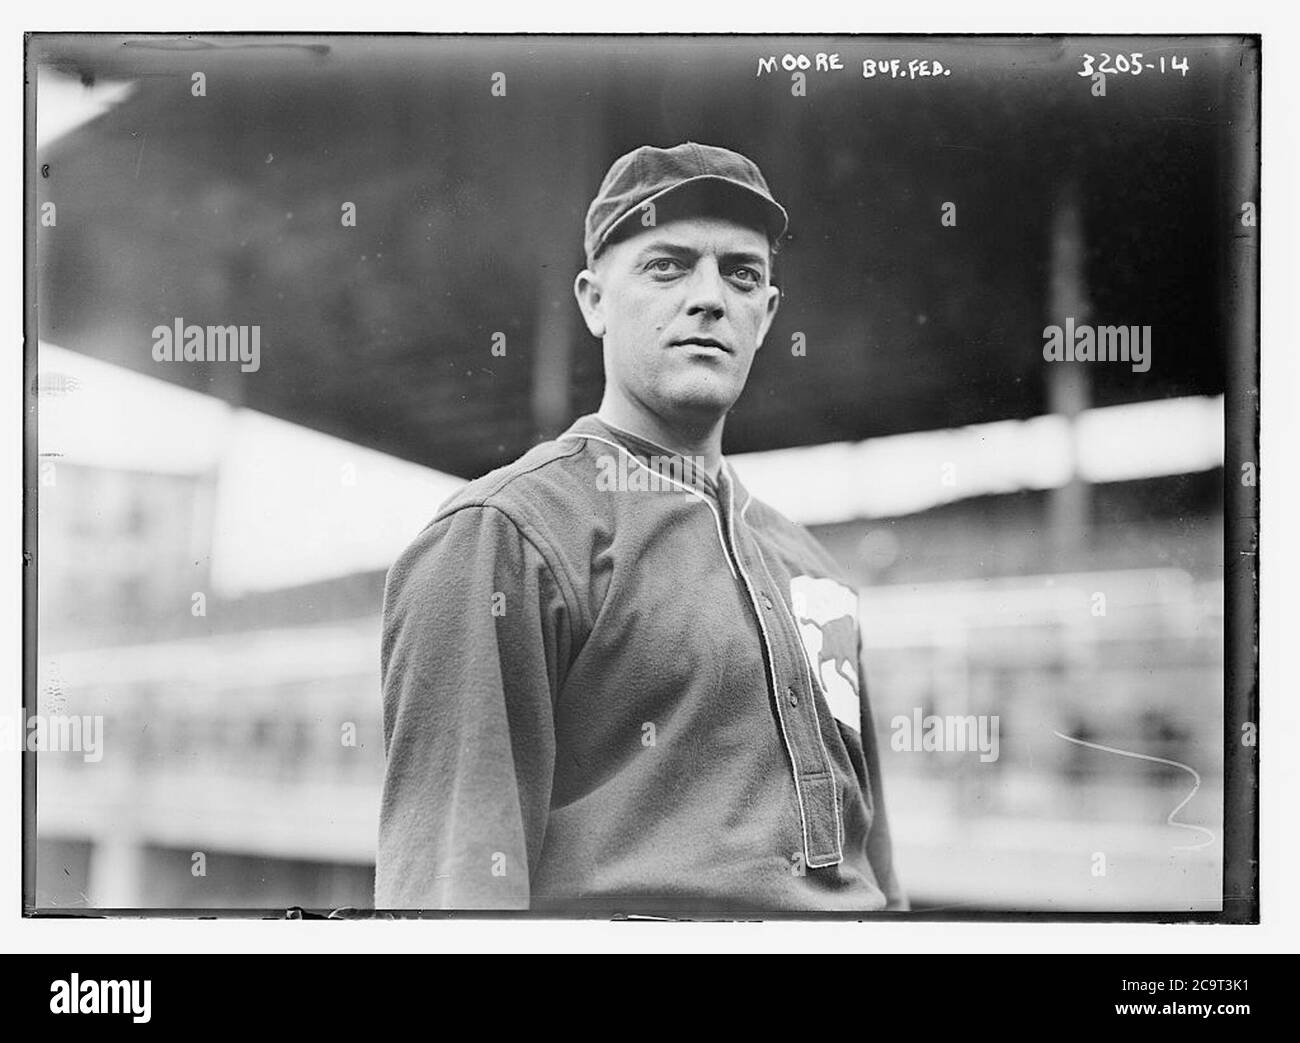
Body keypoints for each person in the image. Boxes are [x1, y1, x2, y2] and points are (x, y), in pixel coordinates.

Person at [377, 141, 906, 914]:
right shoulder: (504, 535)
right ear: (593, 300)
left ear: (768, 316)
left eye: (742, 273)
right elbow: (451, 902)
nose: (710, 298)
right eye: (667, 266)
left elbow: (881, 879)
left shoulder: (815, 569)